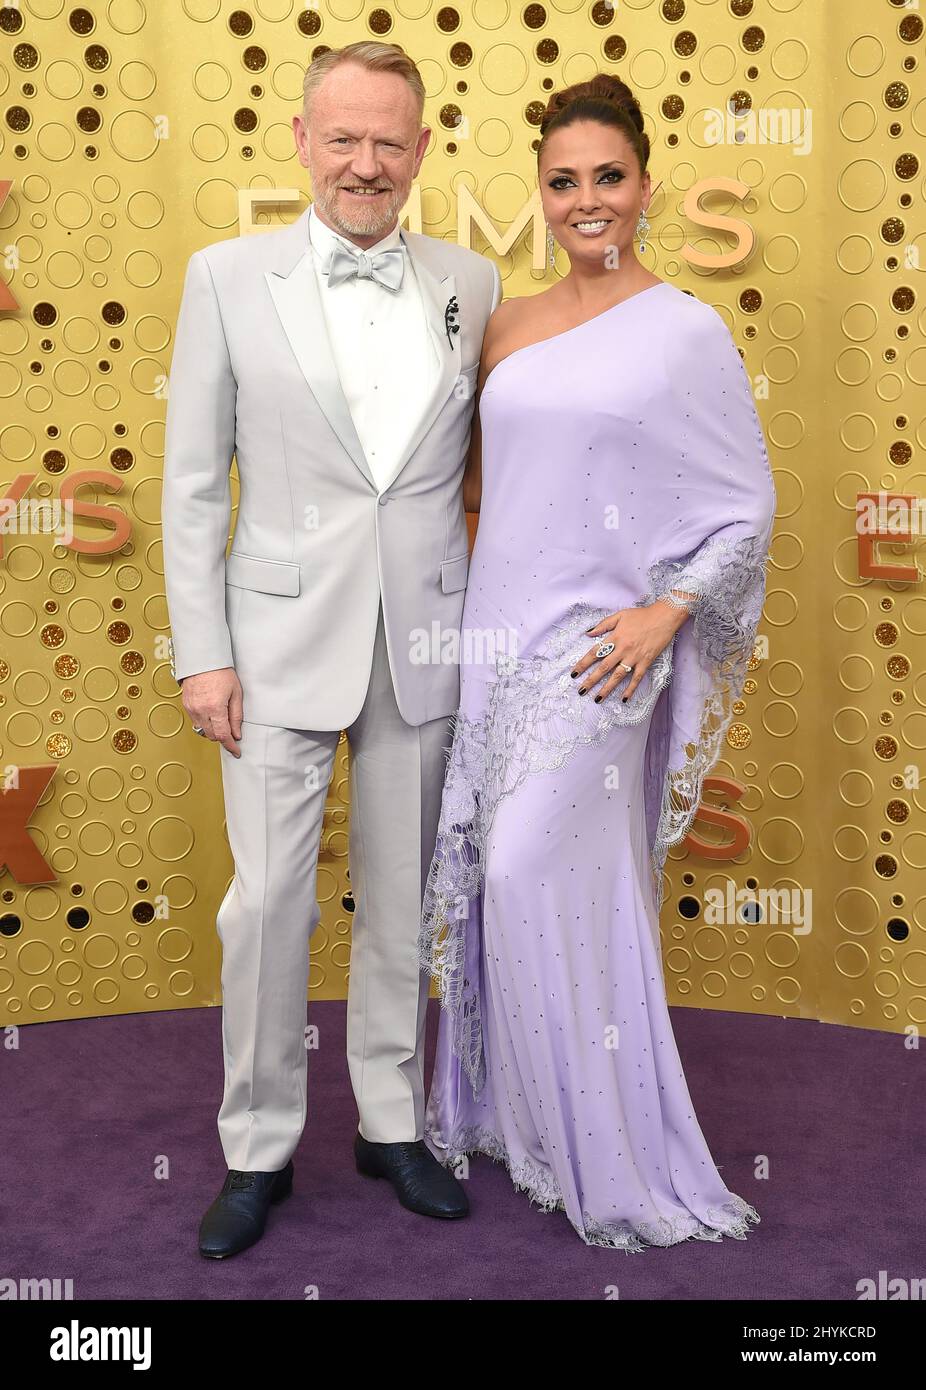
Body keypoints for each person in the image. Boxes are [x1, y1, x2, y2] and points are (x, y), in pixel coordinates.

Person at [418, 74, 777, 1251]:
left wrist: (662, 613)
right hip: (494, 641)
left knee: (536, 873)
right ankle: (524, 1128)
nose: (586, 200)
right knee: (494, 888)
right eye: (563, 180)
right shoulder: (507, 321)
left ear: (643, 187)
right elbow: (478, 486)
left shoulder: (684, 329)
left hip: (598, 662)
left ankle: (609, 1151)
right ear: (542, 191)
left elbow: (743, 509)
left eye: (606, 178)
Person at [161, 41, 500, 1258]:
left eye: (388, 142)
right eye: (342, 138)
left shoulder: (472, 276)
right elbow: (195, 485)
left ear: (419, 151)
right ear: (301, 142)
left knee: (403, 900)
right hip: (269, 644)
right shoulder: (222, 276)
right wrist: (202, 652)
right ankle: (257, 1145)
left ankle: (390, 1122)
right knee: (267, 908)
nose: (365, 163)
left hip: (421, 638)